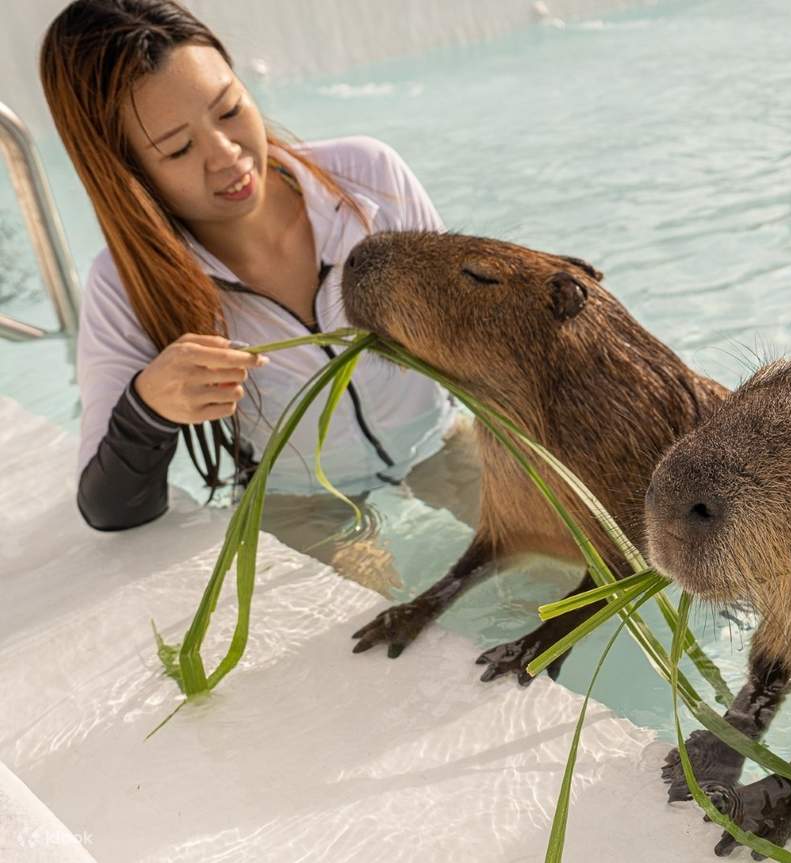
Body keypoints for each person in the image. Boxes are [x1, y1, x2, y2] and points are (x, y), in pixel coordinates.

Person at [40, 0, 478, 590]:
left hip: (439, 442)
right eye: (176, 149)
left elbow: (473, 334)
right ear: (127, 170)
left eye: (229, 109)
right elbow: (111, 511)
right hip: (299, 502)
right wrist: (150, 406)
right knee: (380, 641)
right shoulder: (125, 285)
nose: (227, 156)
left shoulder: (368, 178)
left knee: (565, 577)